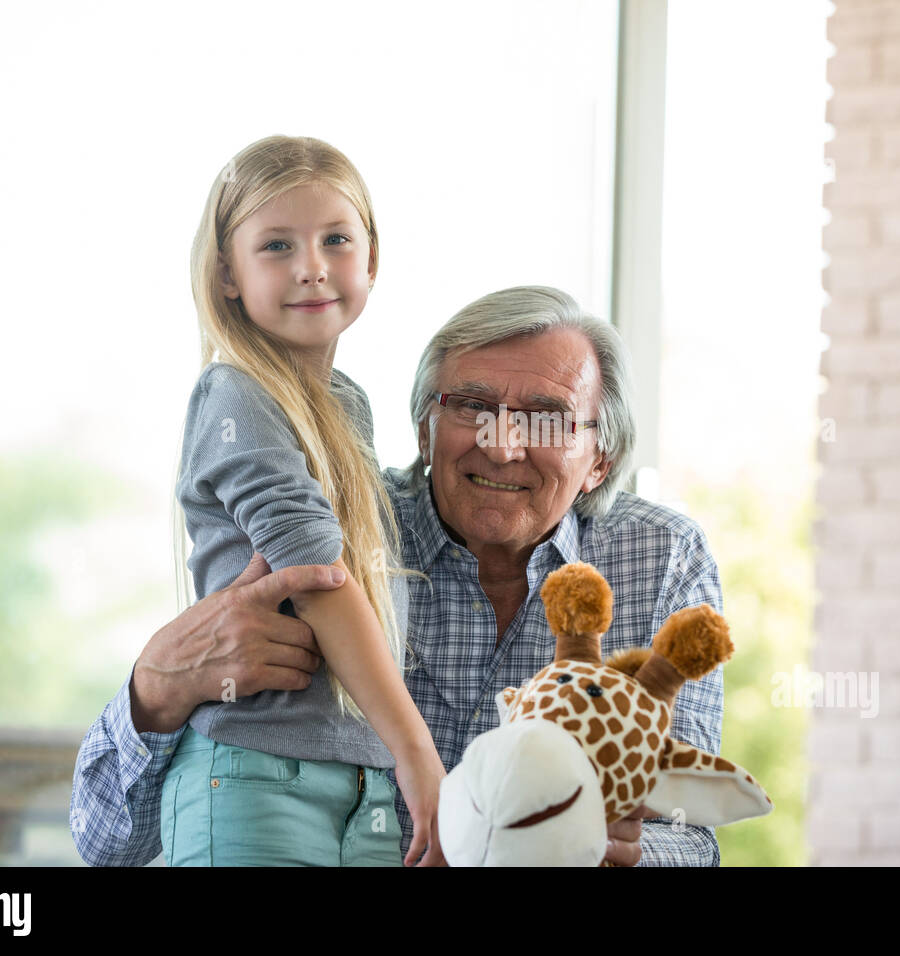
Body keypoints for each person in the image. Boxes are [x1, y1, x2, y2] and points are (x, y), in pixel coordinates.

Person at [72, 286, 727, 866]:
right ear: (424, 428)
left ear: (600, 460)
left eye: (546, 417)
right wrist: (159, 690)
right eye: (471, 405)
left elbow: (694, 833)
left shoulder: (663, 558)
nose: (501, 444)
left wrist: (603, 851)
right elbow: (108, 844)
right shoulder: (333, 540)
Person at [156, 134, 445, 866]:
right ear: (227, 274)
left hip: (361, 784)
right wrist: (417, 752)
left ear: (371, 261)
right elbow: (320, 577)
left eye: (336, 240)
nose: (312, 267)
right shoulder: (234, 392)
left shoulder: (348, 405)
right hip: (254, 778)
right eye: (277, 246)